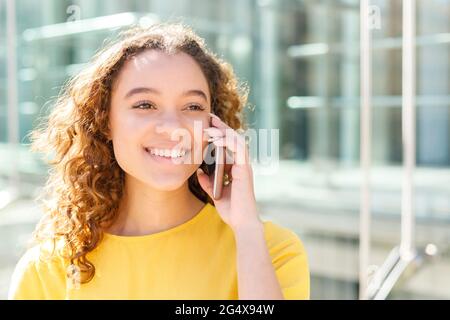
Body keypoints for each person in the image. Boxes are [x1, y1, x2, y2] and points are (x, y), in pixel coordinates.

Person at [8, 22, 309, 300]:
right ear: (104, 121)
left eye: (192, 106)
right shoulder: (48, 270)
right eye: (145, 105)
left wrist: (247, 230)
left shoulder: (270, 250)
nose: (174, 126)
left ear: (213, 126)